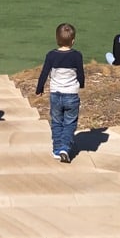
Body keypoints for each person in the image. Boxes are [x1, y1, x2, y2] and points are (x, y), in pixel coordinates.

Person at [35, 22, 85, 163]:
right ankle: (64, 147)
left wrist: (39, 88)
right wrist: (81, 84)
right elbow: (80, 74)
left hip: (55, 94)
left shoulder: (51, 55)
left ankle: (57, 150)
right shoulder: (77, 55)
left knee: (56, 122)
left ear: (57, 39)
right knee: (70, 123)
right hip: (71, 95)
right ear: (73, 41)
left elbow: (44, 73)